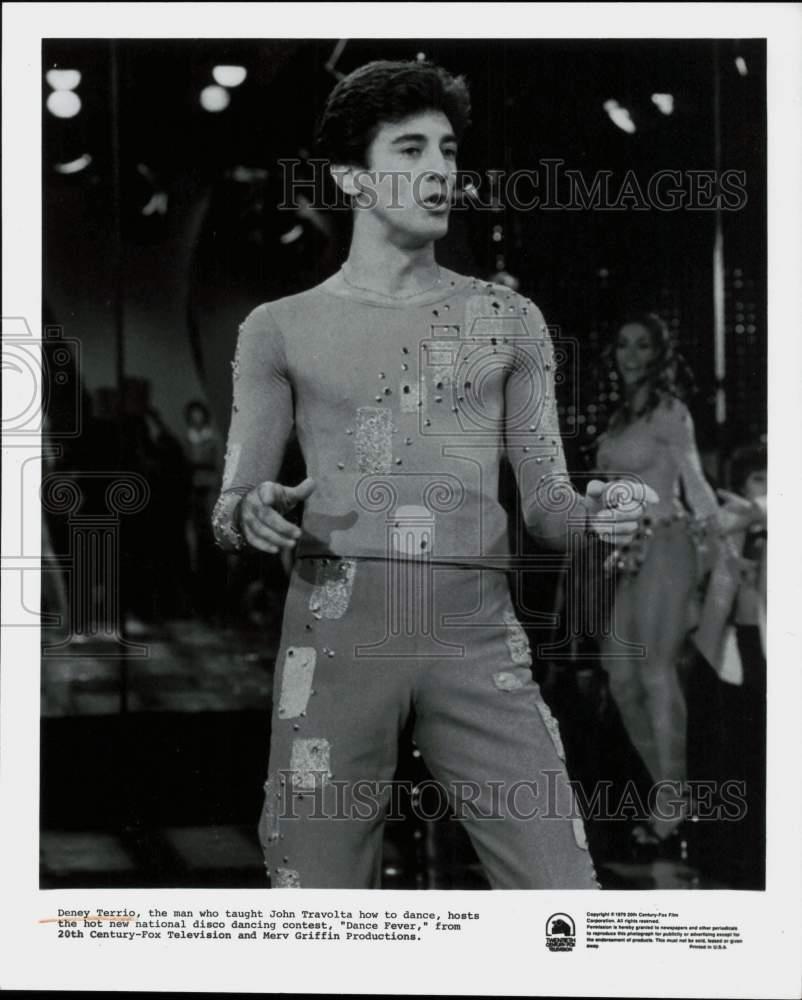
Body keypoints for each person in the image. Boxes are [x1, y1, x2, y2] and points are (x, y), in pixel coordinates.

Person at [212, 59, 654, 890]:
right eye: (410, 150)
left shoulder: (511, 320)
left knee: (565, 901)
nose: (439, 170)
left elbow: (550, 506)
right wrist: (254, 509)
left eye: (447, 151)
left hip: (475, 633)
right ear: (351, 177)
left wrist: (602, 515)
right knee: (315, 915)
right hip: (335, 635)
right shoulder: (278, 328)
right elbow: (229, 509)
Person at [595, 313, 720, 852]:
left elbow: (695, 482)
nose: (631, 355)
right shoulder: (620, 418)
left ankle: (670, 807)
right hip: (629, 553)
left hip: (668, 543)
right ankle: (674, 795)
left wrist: (718, 555)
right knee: (620, 677)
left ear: (658, 354)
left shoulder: (670, 412)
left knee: (653, 671)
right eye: (623, 344)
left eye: (642, 345)